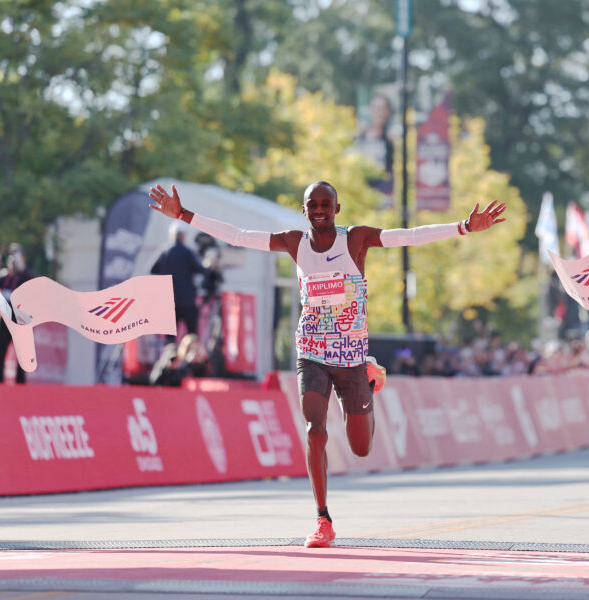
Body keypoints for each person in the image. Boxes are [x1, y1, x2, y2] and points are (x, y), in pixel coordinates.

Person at [149, 180, 505, 548]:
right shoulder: (295, 243)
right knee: (314, 429)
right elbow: (239, 236)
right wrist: (184, 215)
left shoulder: (356, 239)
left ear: (337, 208)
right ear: (304, 210)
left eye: (325, 204)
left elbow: (409, 236)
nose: (319, 210)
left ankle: (368, 381)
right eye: (312, 204)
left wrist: (464, 227)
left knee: (361, 447)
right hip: (312, 351)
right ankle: (323, 519)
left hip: (351, 357)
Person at [151, 223, 208, 343]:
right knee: (192, 335)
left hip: (170, 301)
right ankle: (191, 354)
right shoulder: (187, 252)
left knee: (170, 338)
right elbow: (201, 270)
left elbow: (153, 270)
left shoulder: (164, 252)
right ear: (183, 236)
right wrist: (209, 265)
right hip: (187, 301)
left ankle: (169, 354)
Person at [0, 243, 36, 384]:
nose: (12, 261)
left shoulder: (27, 275)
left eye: (16, 256)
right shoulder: (4, 276)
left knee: (22, 354)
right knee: (0, 352)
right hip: (5, 320)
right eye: (10, 257)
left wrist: (22, 267)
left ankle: (20, 385)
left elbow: (35, 283)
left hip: (21, 320)